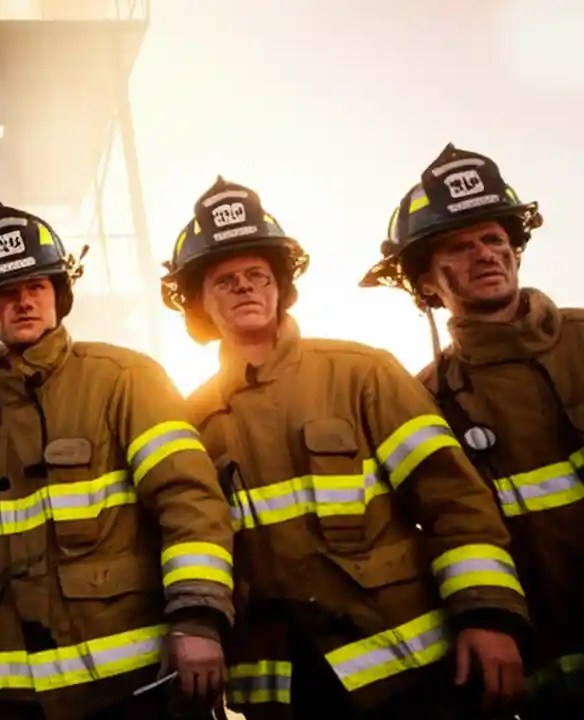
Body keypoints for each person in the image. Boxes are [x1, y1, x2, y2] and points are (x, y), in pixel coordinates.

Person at [162, 176, 531, 719]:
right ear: (199, 303)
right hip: (286, 687)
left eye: (258, 275)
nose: (245, 288)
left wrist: (488, 617)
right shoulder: (187, 419)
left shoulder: (362, 371)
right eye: (225, 280)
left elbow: (452, 499)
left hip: (410, 672)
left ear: (280, 288)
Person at [0, 203, 236, 720]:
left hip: (134, 685)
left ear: (58, 295)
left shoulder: (125, 378)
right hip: (21, 698)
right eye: (7, 292)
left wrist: (197, 618)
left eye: (36, 287)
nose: (24, 302)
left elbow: (189, 501)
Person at [362, 143, 584, 717]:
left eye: (493, 239)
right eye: (459, 248)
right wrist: (485, 617)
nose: (485, 254)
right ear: (427, 285)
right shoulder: (424, 400)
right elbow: (444, 524)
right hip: (543, 663)